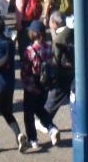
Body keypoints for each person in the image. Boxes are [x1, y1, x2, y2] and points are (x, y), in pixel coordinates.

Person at [19, 20, 60, 150]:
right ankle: (51, 128)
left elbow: (25, 70)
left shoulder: (30, 50)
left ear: (32, 34)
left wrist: (25, 83)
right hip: (45, 83)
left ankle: (33, 139)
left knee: (28, 113)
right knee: (40, 109)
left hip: (32, 84)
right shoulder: (49, 48)